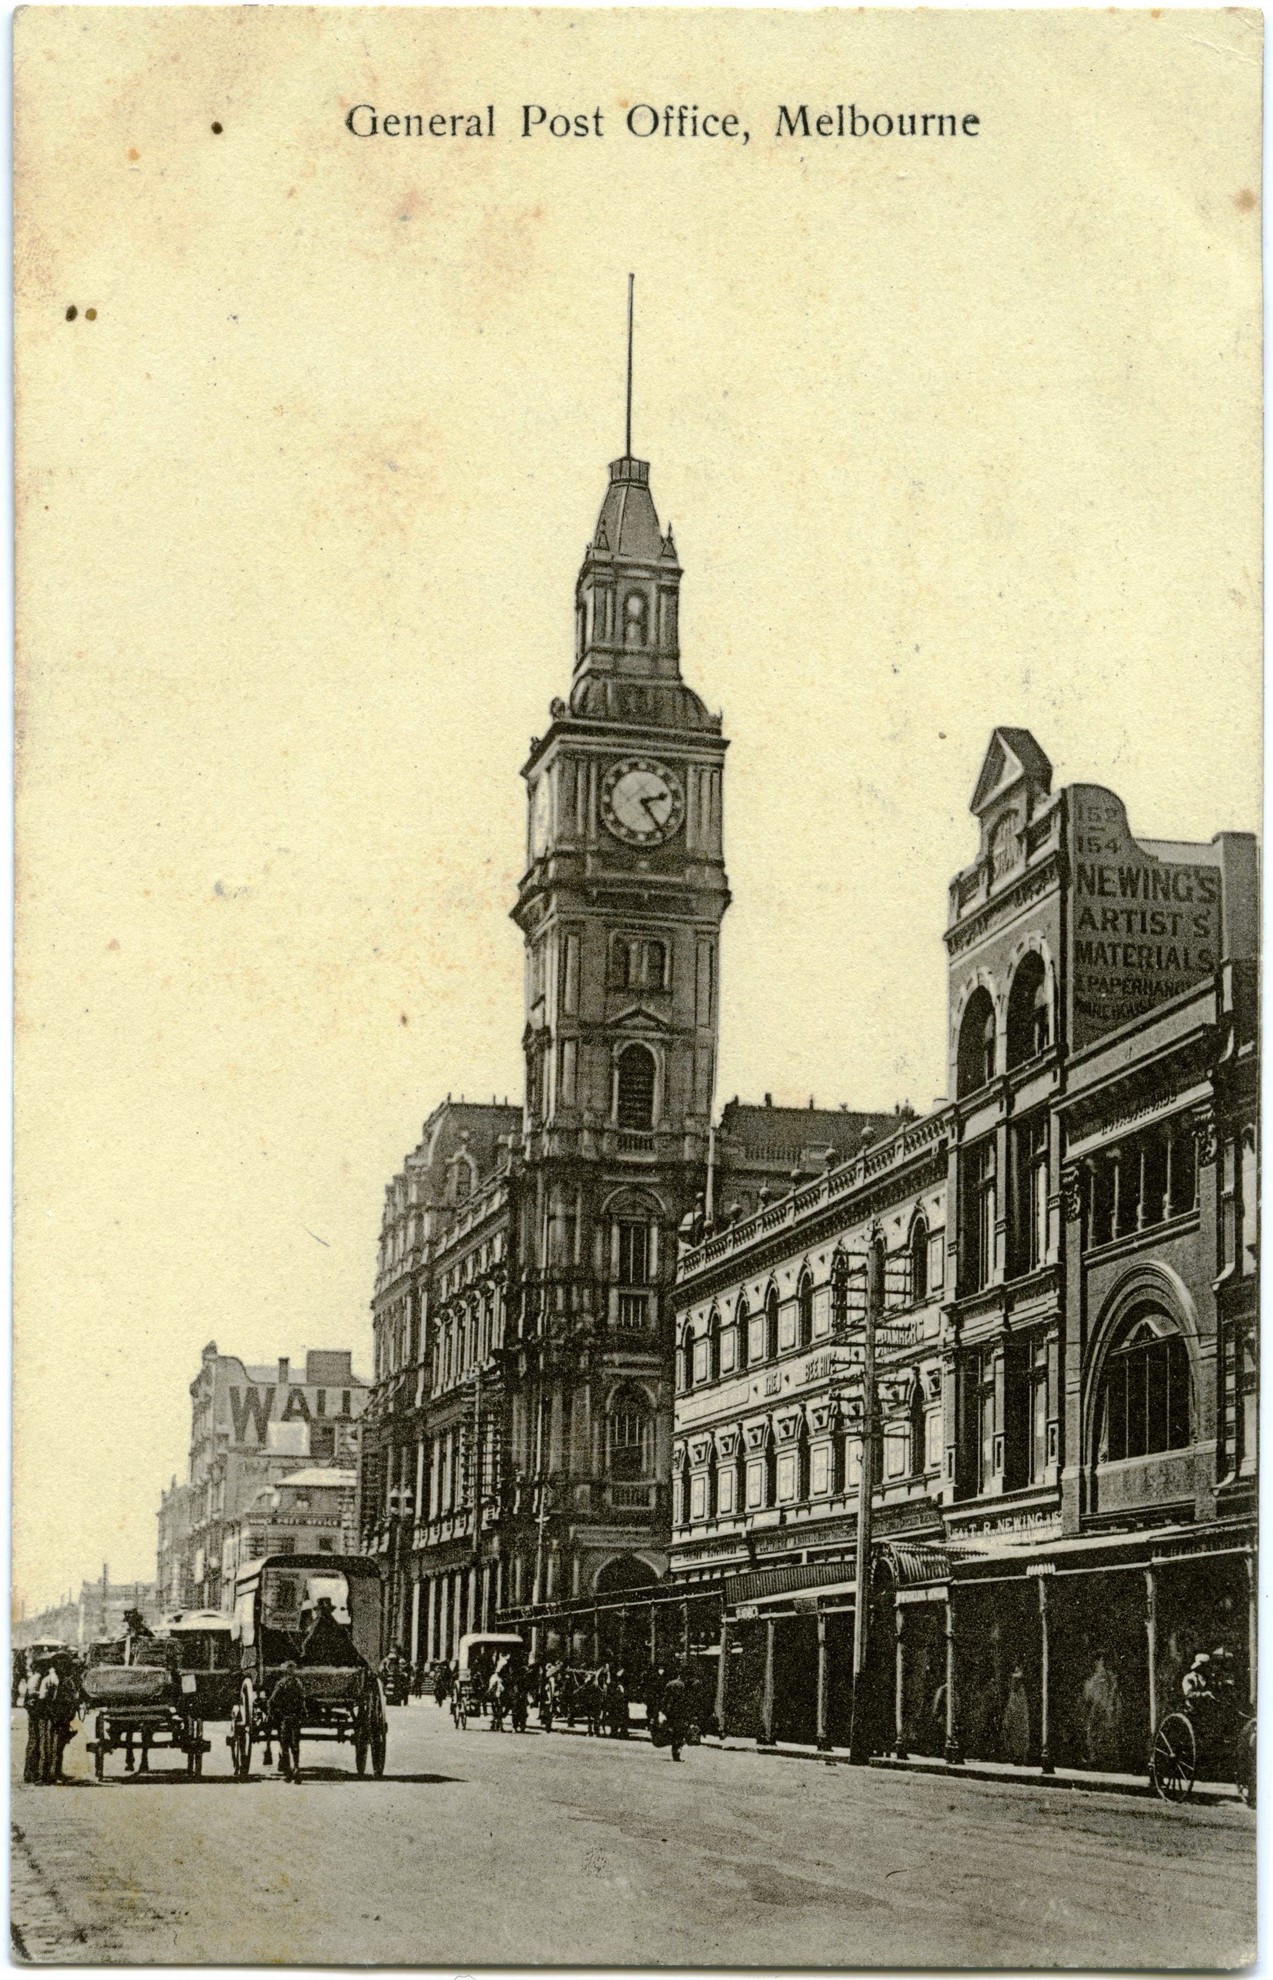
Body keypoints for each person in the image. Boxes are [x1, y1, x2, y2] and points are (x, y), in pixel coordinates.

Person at [1082, 1650, 1123, 1770]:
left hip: (1106, 1707)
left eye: (1101, 1660)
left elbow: (1113, 1692)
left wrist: (1111, 1705)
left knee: (1107, 1733)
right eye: (1098, 1660)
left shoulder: (1109, 1677)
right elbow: (1088, 1696)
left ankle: (1107, 1759)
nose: (1100, 1662)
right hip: (1096, 1708)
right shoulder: (1092, 1678)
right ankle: (1094, 1757)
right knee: (1094, 1733)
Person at [269, 1660, 307, 1783]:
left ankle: (289, 1770)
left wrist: (273, 1714)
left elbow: (272, 1701)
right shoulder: (298, 1684)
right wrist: (303, 1713)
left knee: (284, 1744)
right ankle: (296, 1769)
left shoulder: (281, 1684)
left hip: (285, 1719)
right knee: (295, 1744)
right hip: (295, 1718)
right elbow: (302, 1700)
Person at [302, 1596, 360, 1668]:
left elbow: (307, 1643)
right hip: (331, 1658)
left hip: (327, 1659)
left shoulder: (321, 1622)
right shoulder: (327, 1622)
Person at [661, 1664, 692, 1762]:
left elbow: (664, 1699)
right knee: (680, 1733)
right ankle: (676, 1754)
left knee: (673, 1731)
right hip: (680, 1712)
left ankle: (674, 1752)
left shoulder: (670, 1684)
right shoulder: (684, 1686)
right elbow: (686, 1701)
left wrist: (664, 1710)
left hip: (670, 1711)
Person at [1001, 1666, 1030, 1766]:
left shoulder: (1021, 1693)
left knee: (1021, 1737)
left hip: (1020, 1721)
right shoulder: (1013, 1693)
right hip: (1013, 1720)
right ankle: (1015, 1755)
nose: (1013, 1682)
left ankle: (1021, 1756)